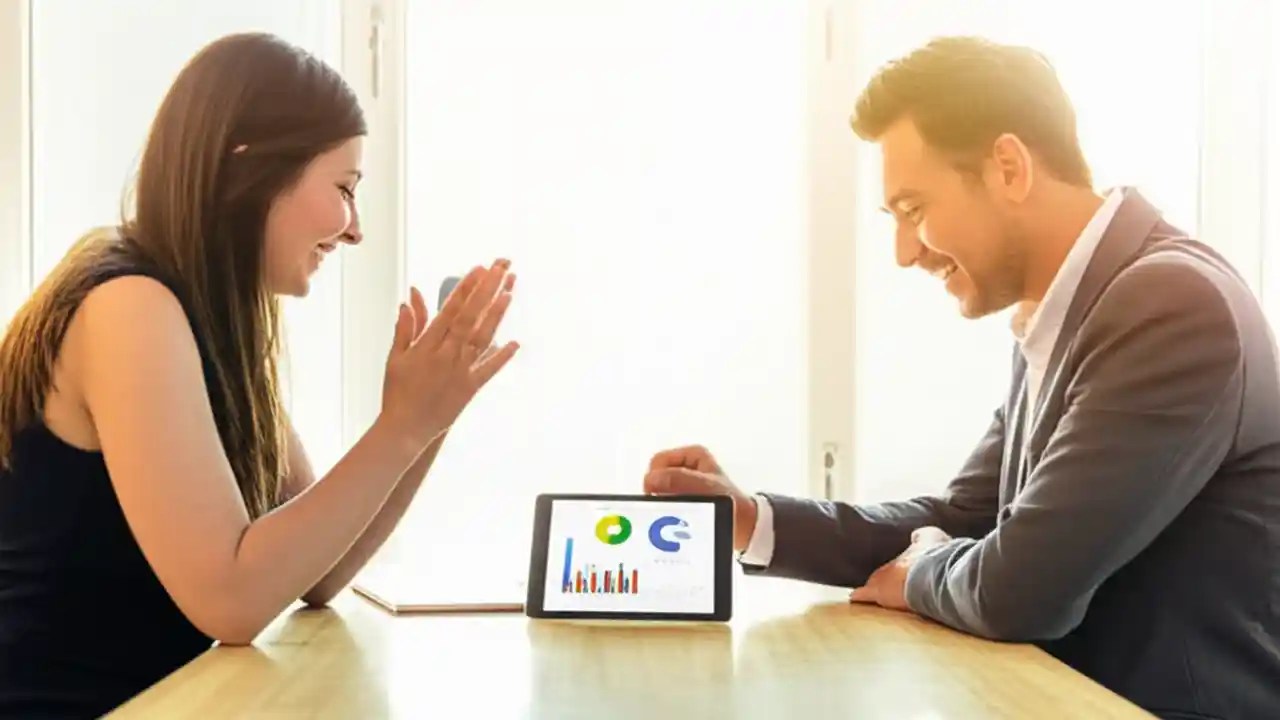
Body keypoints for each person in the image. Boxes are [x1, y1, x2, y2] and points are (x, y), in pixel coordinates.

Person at [644, 36, 1280, 719]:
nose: (903, 252)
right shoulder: (1065, 315)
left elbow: (1021, 587)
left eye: (914, 209)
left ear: (1008, 167)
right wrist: (750, 519)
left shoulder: (1168, 305)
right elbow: (961, 520)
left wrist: (922, 574)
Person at [0, 33, 518, 718]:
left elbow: (322, 573)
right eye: (344, 189)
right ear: (247, 167)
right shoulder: (129, 305)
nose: (354, 229)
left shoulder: (214, 323)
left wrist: (431, 414)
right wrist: (401, 427)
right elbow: (231, 600)